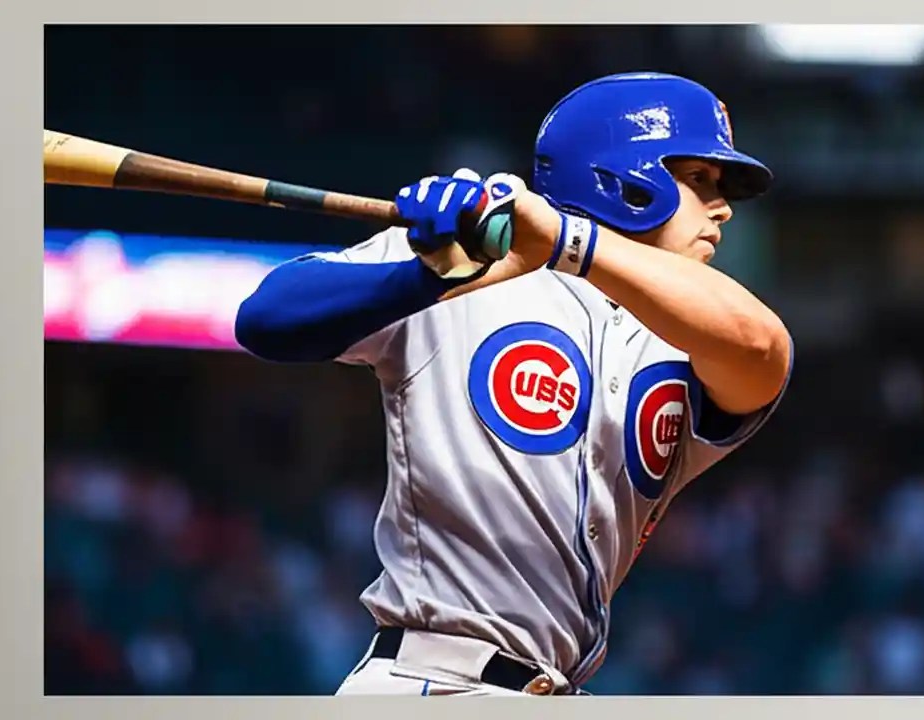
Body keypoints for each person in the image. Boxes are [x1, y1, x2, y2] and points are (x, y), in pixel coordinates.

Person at [234, 72, 794, 696]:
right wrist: (426, 278)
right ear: (627, 175)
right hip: (430, 677)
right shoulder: (467, 266)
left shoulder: (690, 337)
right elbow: (266, 320)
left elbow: (761, 347)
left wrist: (564, 240)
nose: (722, 208)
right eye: (700, 180)